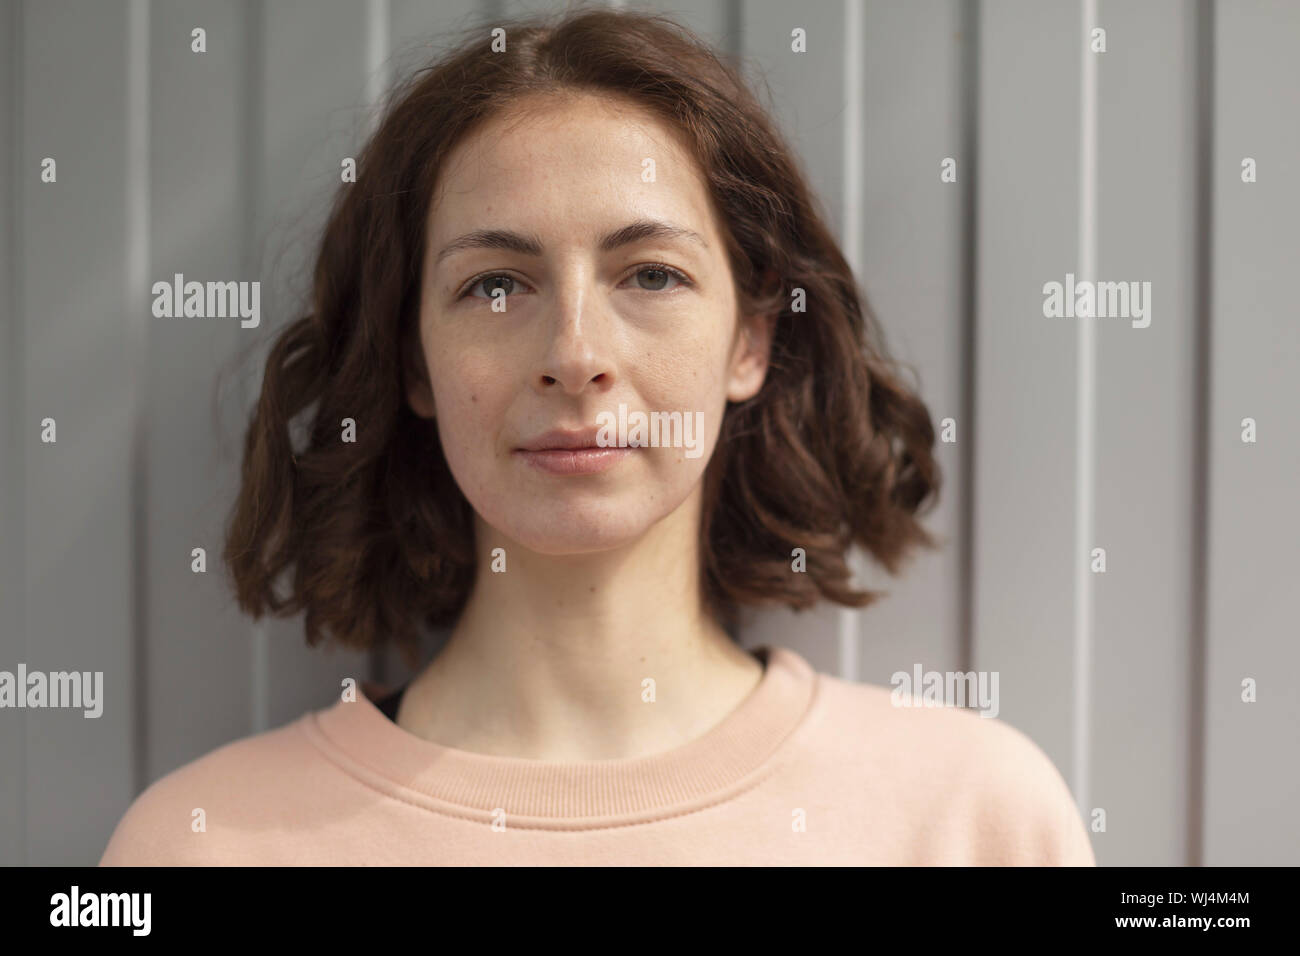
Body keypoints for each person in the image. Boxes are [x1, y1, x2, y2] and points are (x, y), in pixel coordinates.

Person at [100, 8, 1094, 866]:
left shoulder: (974, 821)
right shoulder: (203, 843)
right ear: (413, 363)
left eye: (650, 274)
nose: (574, 354)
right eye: (495, 284)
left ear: (749, 337)